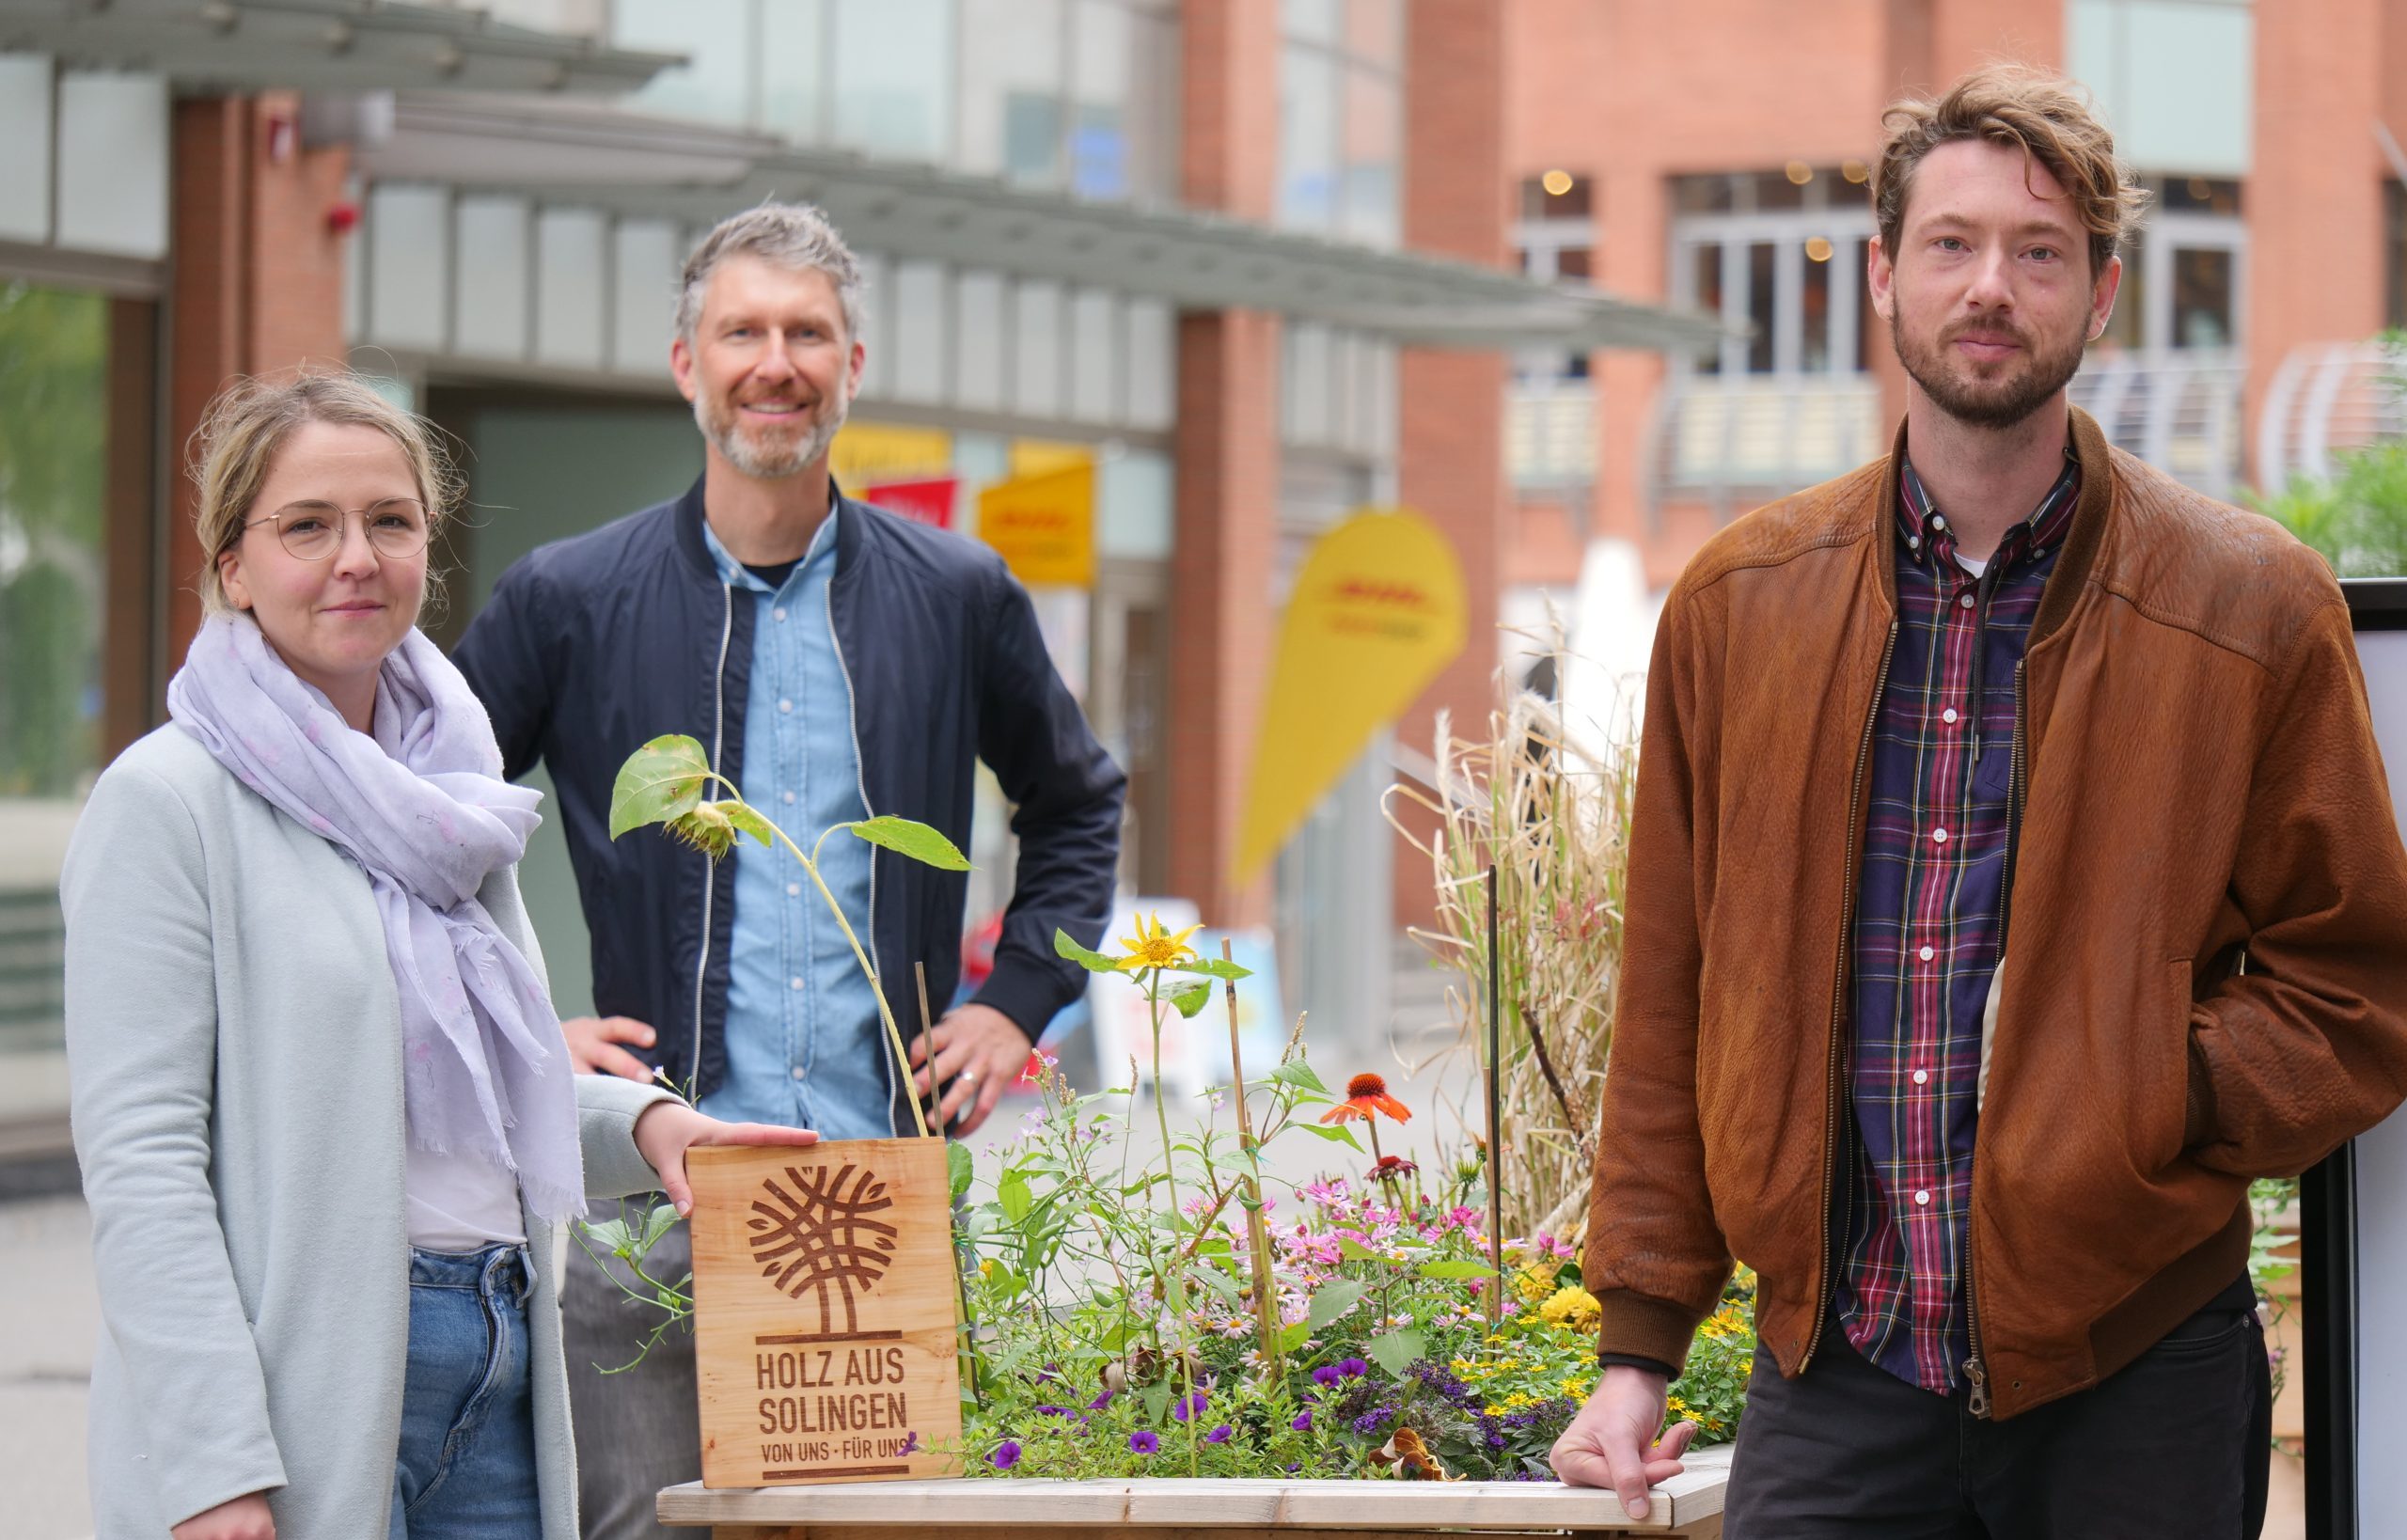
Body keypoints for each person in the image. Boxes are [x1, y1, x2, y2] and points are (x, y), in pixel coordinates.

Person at [1549, 66, 2407, 1536]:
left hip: (2137, 1362)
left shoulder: (2252, 605)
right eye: (1950, 244)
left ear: (2104, 291)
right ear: (1883, 274)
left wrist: (2150, 1085)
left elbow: (2357, 983)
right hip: (1838, 1372)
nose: (1990, 286)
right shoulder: (1739, 605)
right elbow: (1673, 994)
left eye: (2040, 249)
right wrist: (1639, 1345)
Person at [451, 203, 1125, 1535]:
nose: (776, 361)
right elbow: (425, 826)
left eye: (806, 332)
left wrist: (1014, 998)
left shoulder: (956, 591)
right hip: (652, 1198)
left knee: (885, 1529)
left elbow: (1077, 800)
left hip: (880, 1191)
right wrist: (524, 1026)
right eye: (742, 330)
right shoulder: (567, 598)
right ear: (685, 364)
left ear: (852, 365)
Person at [62, 371, 819, 1540]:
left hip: (506, 1366)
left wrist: (647, 1125)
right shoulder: (166, 803)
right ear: (232, 567)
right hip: (304, 1396)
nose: (356, 555)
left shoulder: (451, 795)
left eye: (390, 521)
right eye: (308, 526)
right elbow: (143, 1163)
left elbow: (455, 1092)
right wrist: (210, 1467)